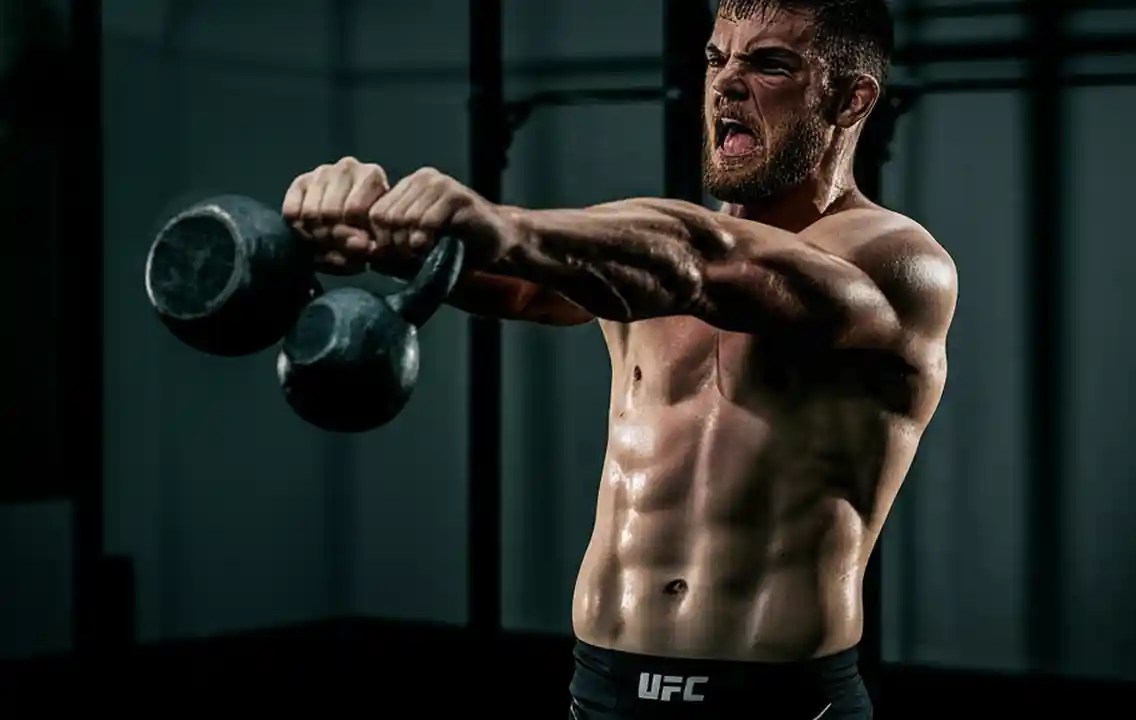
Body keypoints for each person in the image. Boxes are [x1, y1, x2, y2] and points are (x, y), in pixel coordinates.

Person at [282, 1, 956, 716]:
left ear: (850, 99)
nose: (726, 83)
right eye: (715, 58)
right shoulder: (630, 253)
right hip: (603, 688)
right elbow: (515, 275)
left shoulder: (897, 263)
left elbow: (707, 266)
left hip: (776, 697)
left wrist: (499, 223)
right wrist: (374, 229)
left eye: (768, 63)